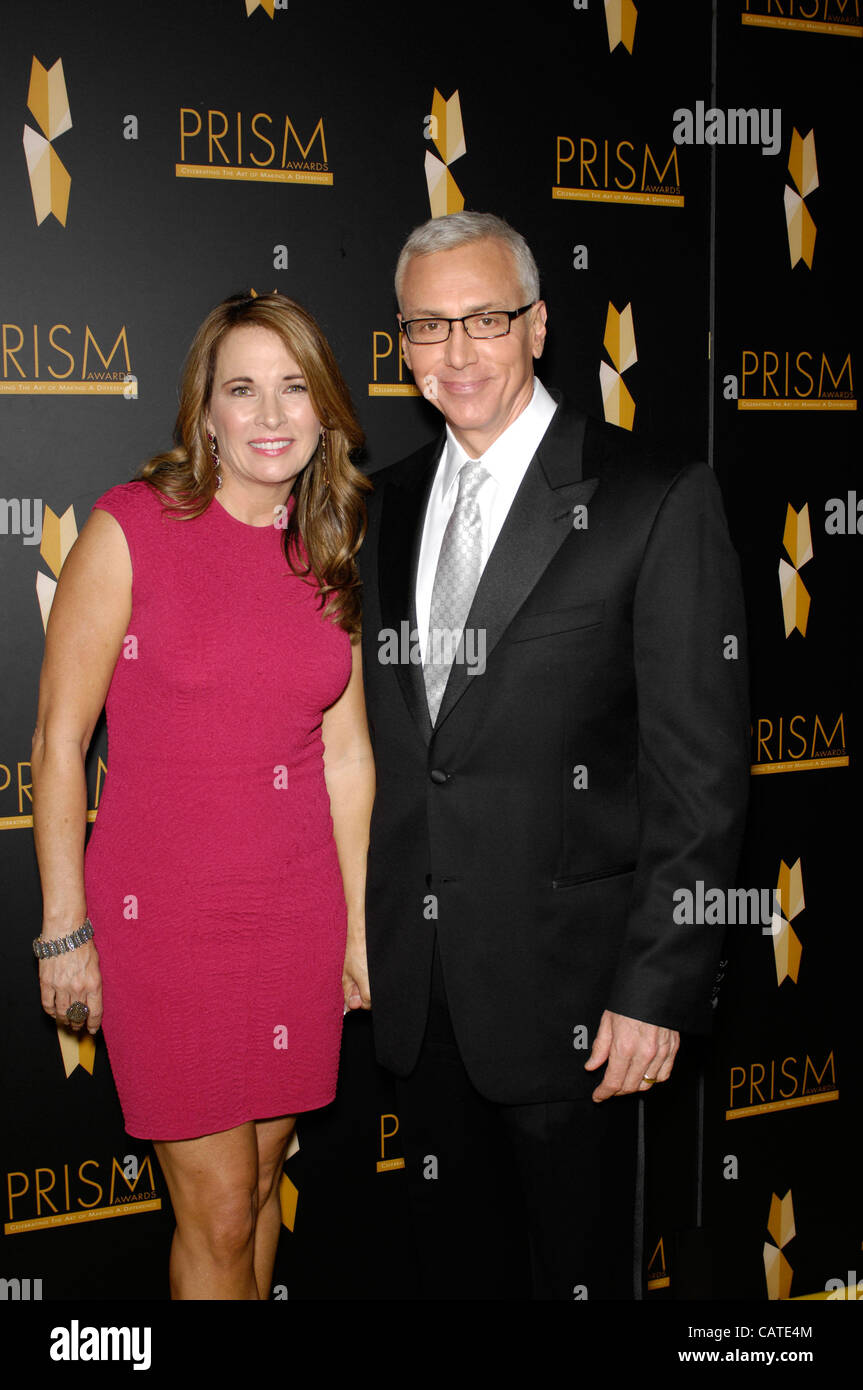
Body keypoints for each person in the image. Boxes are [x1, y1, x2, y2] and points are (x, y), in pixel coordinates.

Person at [352, 212, 750, 1300]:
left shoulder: (649, 497)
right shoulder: (373, 506)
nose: (457, 352)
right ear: (400, 345)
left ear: (537, 326)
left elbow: (699, 779)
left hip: (583, 1008)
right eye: (428, 326)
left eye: (484, 318)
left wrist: (658, 989)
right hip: (419, 997)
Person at [31, 291, 374, 1300]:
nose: (270, 415)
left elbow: (346, 758)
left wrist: (356, 927)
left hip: (296, 919)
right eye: (242, 390)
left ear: (323, 411)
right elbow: (59, 742)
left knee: (265, 1181)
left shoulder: (329, 548)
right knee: (219, 1211)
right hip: (167, 926)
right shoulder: (131, 527)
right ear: (207, 413)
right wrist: (65, 928)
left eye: (293, 389)